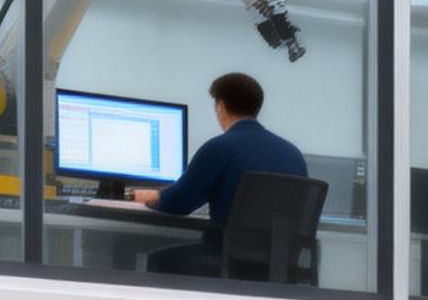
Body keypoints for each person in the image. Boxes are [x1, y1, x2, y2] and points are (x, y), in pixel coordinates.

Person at [128, 70, 307, 269]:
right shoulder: (293, 154)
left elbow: (178, 203)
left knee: (158, 259)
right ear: (257, 108)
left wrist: (150, 196)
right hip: (279, 266)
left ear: (221, 106)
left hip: (228, 259)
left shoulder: (220, 147)